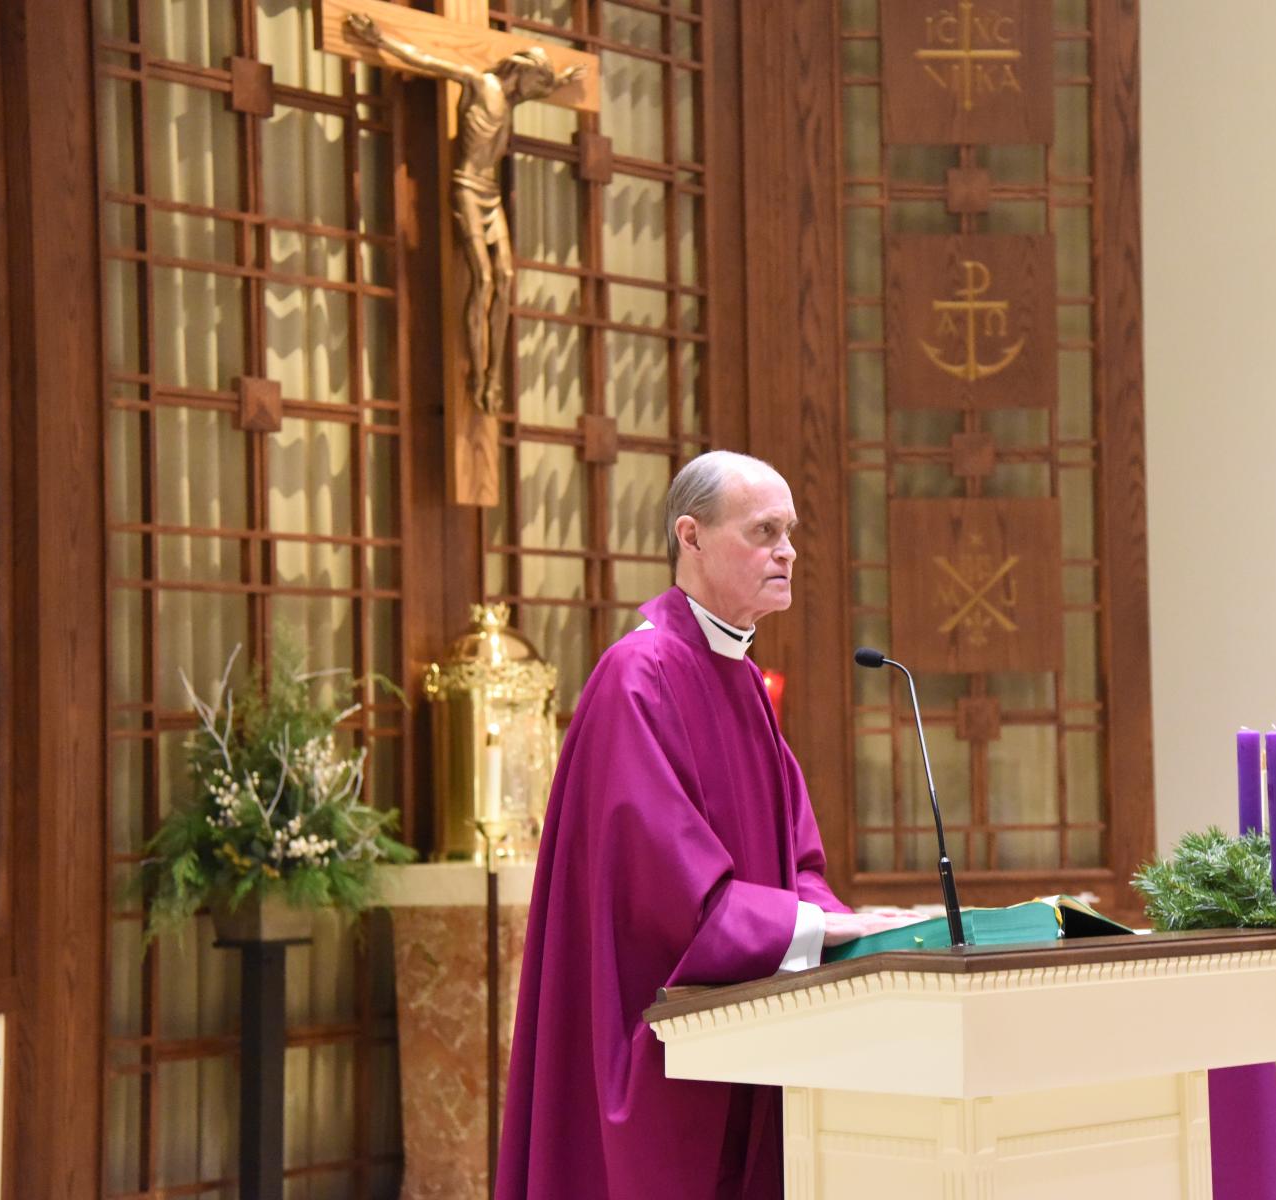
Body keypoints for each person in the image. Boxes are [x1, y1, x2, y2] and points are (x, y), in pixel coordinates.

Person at [497, 451, 918, 1199]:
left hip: (746, 1025)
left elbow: (797, 859)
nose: (787, 552)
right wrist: (809, 928)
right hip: (660, 1032)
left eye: (789, 533)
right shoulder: (639, 675)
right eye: (764, 532)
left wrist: (844, 925)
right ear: (690, 537)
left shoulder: (744, 680)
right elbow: (668, 890)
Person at [343, 13, 582, 413]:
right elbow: (424, 59)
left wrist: (560, 81)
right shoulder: (479, 82)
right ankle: (477, 373)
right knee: (483, 279)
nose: (537, 91)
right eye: (536, 81)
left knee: (506, 277)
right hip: (467, 187)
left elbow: (544, 88)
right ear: (520, 71)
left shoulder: (513, 98)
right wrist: (379, 38)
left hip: (490, 194)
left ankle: (494, 374)